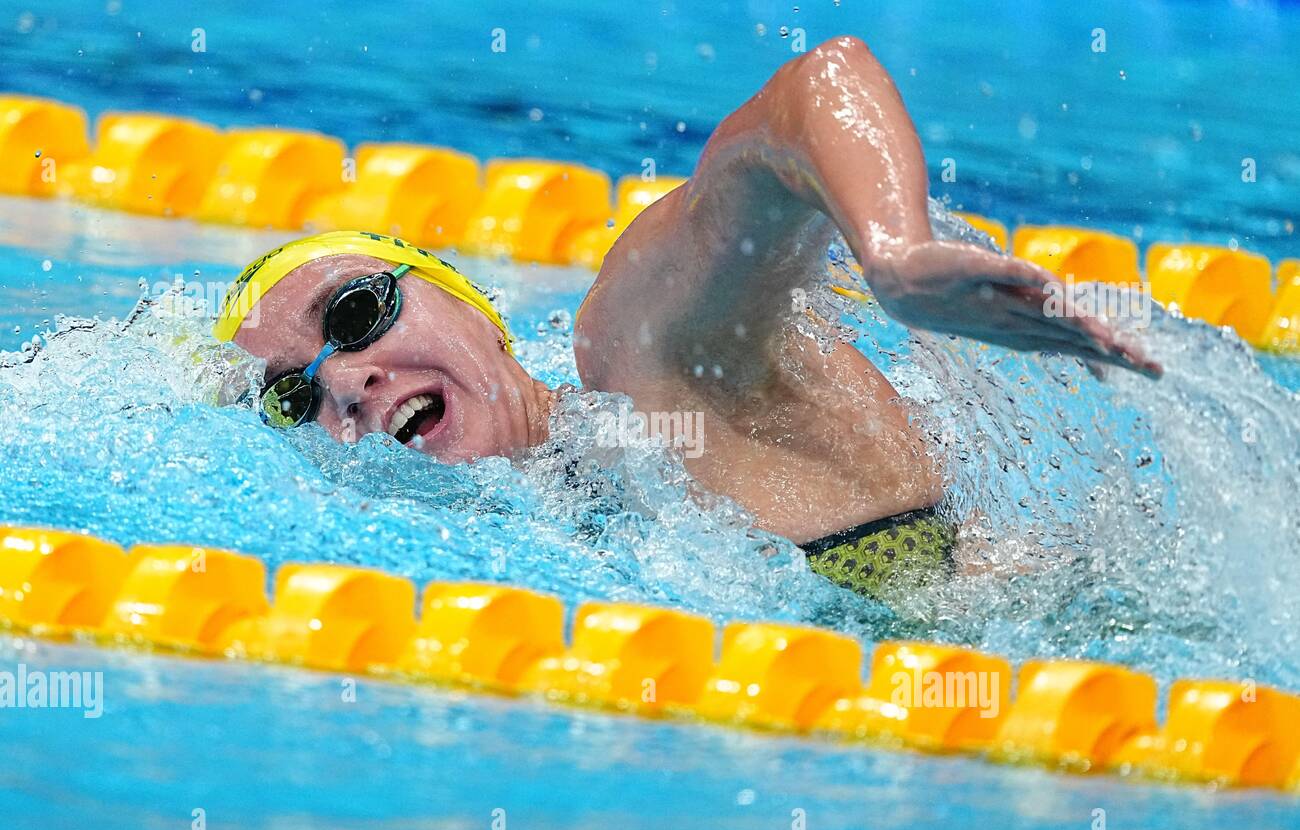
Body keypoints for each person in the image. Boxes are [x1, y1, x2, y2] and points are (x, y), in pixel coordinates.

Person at [214, 35, 1161, 600]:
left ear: (471, 305)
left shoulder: (644, 359)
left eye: (353, 312)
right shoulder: (514, 540)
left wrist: (897, 254)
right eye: (293, 403)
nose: (342, 380)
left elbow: (818, 87)